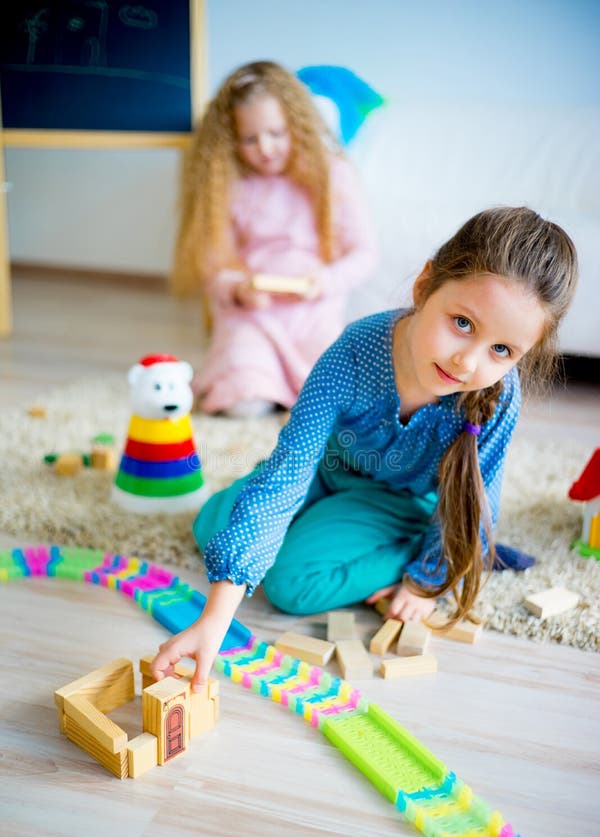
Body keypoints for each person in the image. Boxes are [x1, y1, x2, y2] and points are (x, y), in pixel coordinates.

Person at [152, 206, 578, 690]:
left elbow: (475, 499)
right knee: (213, 526)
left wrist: (426, 580)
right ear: (424, 286)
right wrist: (216, 618)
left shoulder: (499, 396)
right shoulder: (354, 352)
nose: (466, 361)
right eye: (462, 322)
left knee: (289, 583)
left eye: (502, 350)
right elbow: (289, 470)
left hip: (401, 501)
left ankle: (431, 552)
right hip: (331, 469)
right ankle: (307, 526)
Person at [172, 60, 379, 417]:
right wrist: (239, 289)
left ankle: (287, 393)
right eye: (250, 139)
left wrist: (325, 281)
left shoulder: (333, 174)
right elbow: (214, 266)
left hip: (313, 313)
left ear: (297, 125)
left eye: (277, 133)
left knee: (340, 399)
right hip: (252, 316)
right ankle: (266, 386)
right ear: (232, 142)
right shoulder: (227, 186)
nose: (265, 148)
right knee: (245, 406)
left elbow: (365, 253)